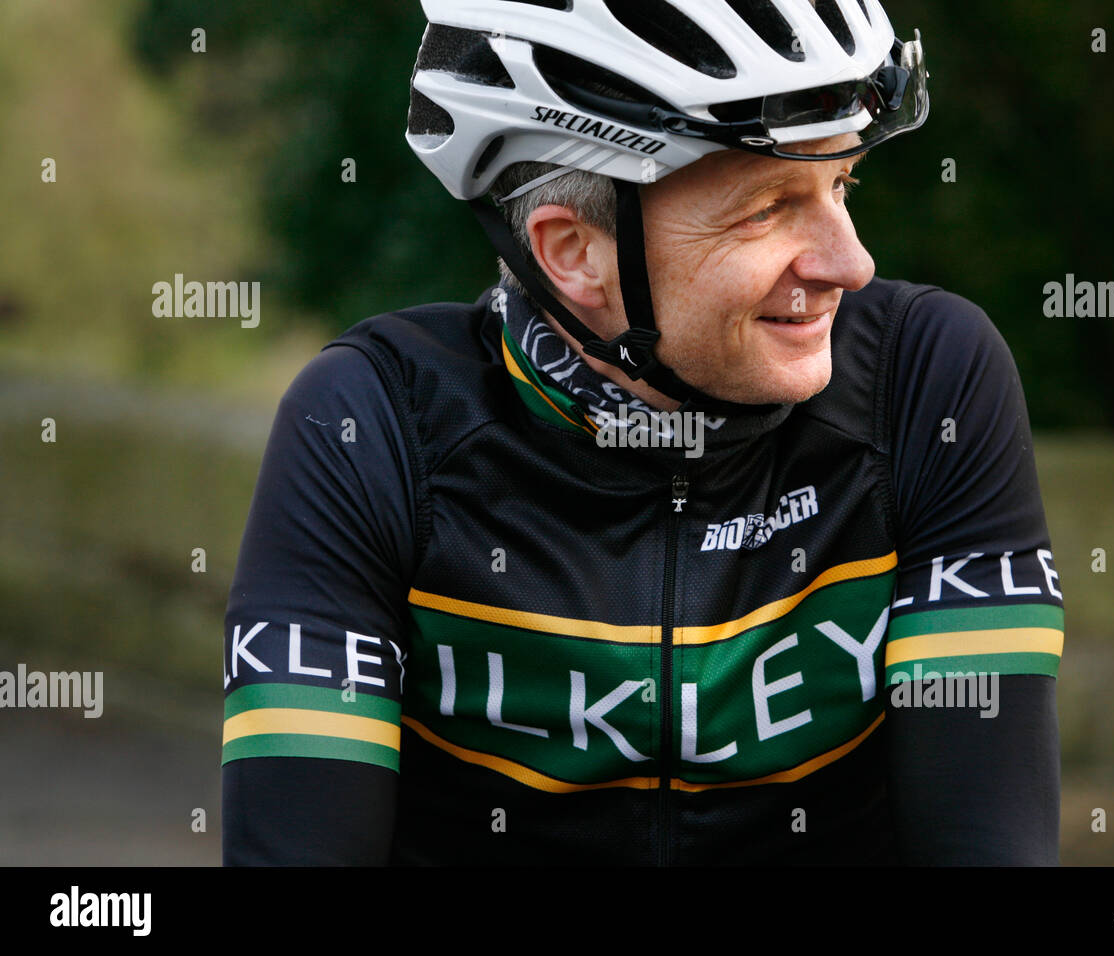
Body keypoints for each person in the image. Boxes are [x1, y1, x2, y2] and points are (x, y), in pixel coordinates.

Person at [222, 0, 1064, 865]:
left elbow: (988, 846)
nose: (850, 263)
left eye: (842, 185)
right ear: (574, 252)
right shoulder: (371, 427)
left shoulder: (926, 383)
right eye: (770, 208)